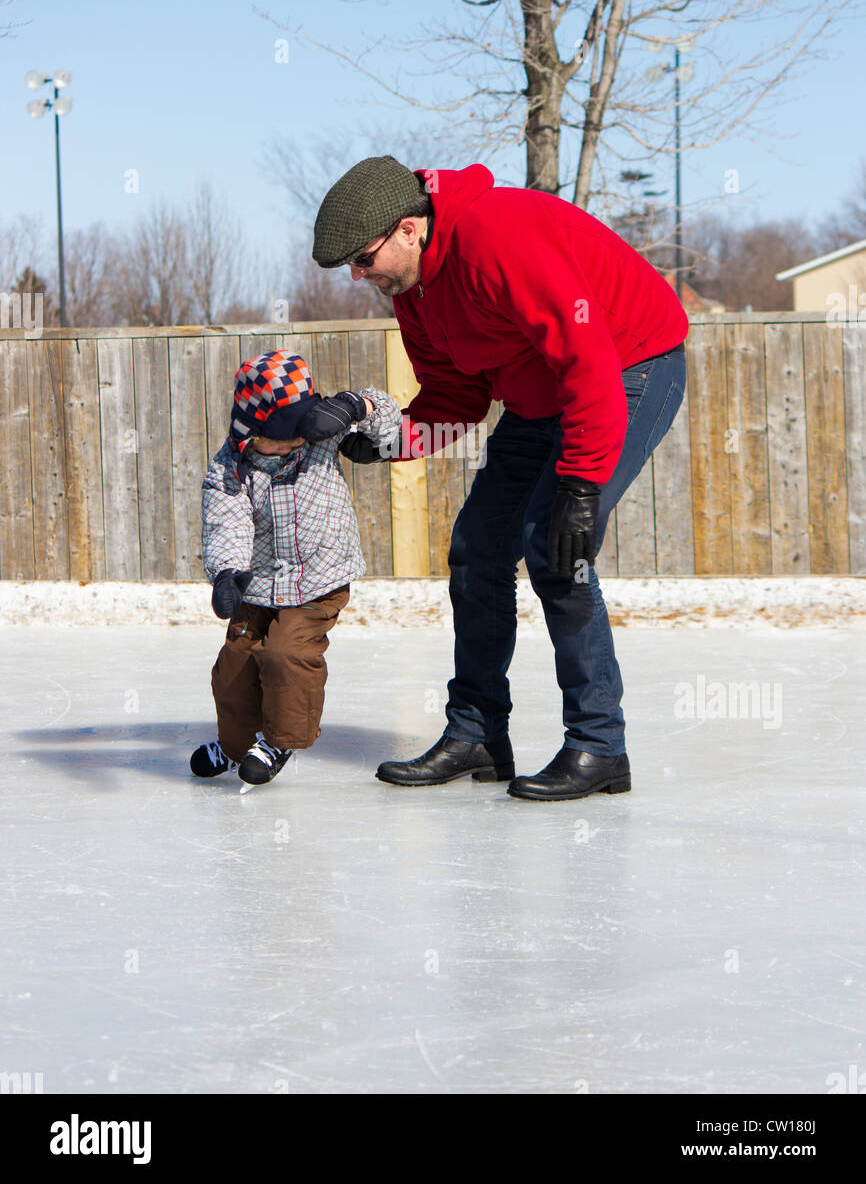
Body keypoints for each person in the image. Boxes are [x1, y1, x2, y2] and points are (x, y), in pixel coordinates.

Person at [311, 157, 688, 800]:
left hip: (627, 366)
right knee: (479, 548)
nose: (358, 273)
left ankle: (600, 745)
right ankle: (478, 734)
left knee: (555, 548)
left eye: (364, 258)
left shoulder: (497, 235)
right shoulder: (415, 291)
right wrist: (393, 440)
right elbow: (457, 393)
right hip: (538, 395)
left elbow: (585, 354)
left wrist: (579, 484)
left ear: (409, 229)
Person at [191, 349, 401, 786]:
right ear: (250, 431)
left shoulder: (320, 437)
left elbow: (388, 423)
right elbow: (225, 519)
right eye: (280, 436)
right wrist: (227, 572)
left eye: (296, 432)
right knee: (234, 661)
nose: (292, 443)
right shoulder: (231, 465)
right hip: (260, 583)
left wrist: (353, 405)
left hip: (319, 579)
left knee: (287, 652)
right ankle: (233, 748)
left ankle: (280, 739)